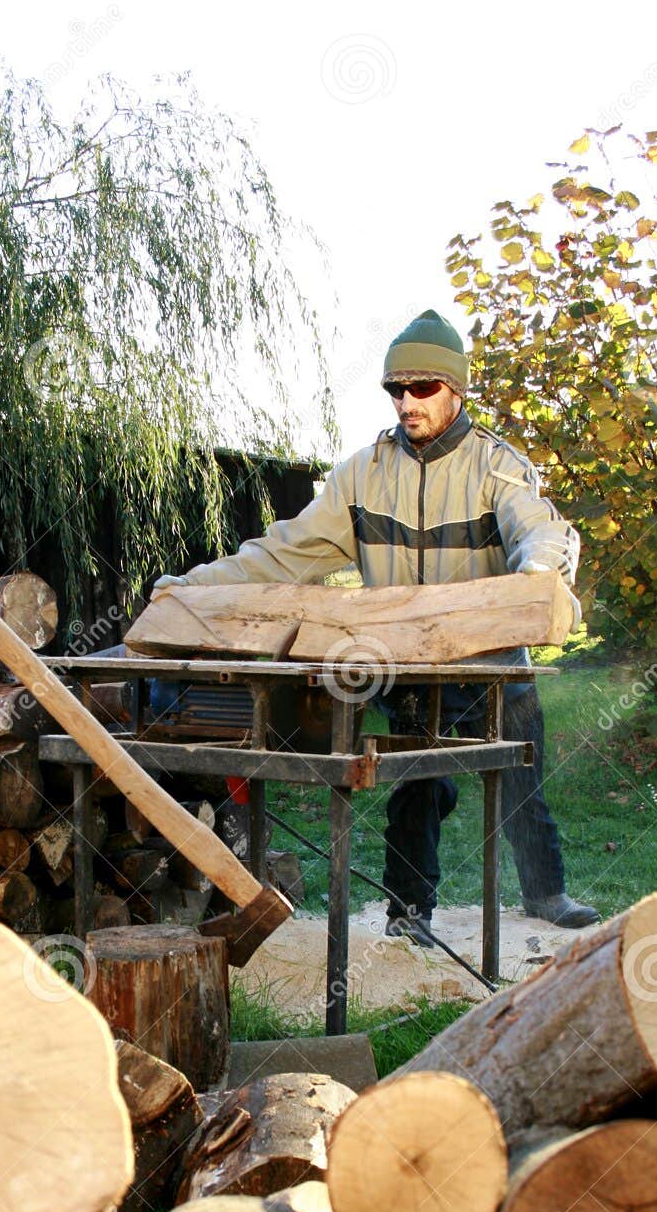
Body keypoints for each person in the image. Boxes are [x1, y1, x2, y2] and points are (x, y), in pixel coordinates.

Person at [151, 308, 599, 941]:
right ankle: (409, 914)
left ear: (457, 389)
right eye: (396, 388)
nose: (406, 401)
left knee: (523, 776)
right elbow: (284, 552)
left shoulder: (499, 467)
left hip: (493, 656)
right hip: (401, 656)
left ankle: (546, 892)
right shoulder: (361, 473)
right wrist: (191, 586)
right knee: (421, 779)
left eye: (423, 388)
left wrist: (541, 578)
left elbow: (540, 532)